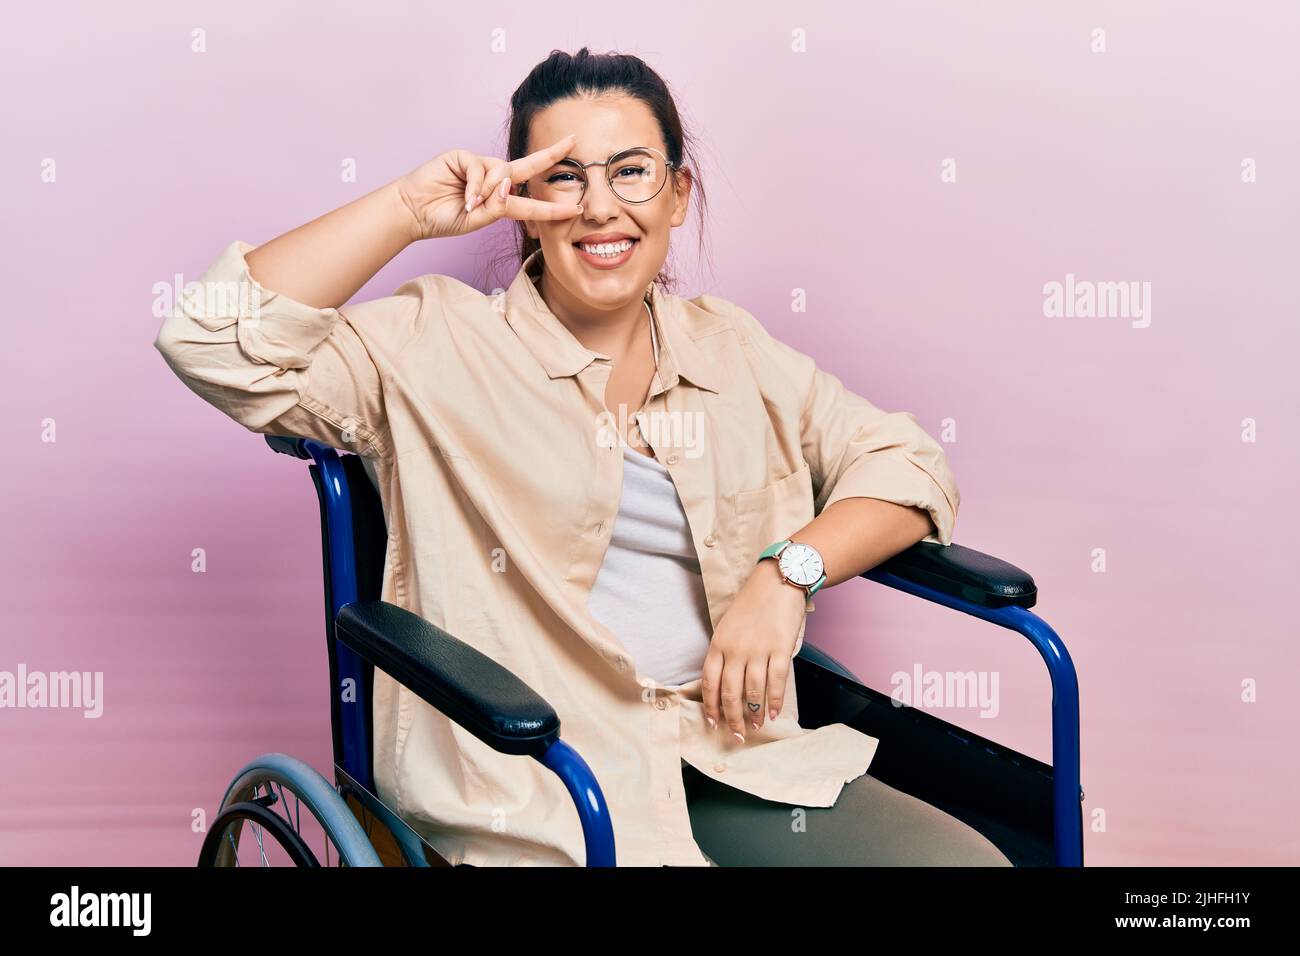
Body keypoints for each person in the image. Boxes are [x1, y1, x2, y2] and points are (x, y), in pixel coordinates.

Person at [154, 47, 1008, 867]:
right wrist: (410, 212)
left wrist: (789, 573)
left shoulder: (734, 349)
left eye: (631, 171)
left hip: (731, 752)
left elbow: (907, 463)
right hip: (538, 783)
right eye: (564, 176)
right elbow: (211, 344)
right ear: (522, 196)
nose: (600, 207)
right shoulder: (435, 341)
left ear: (678, 195)